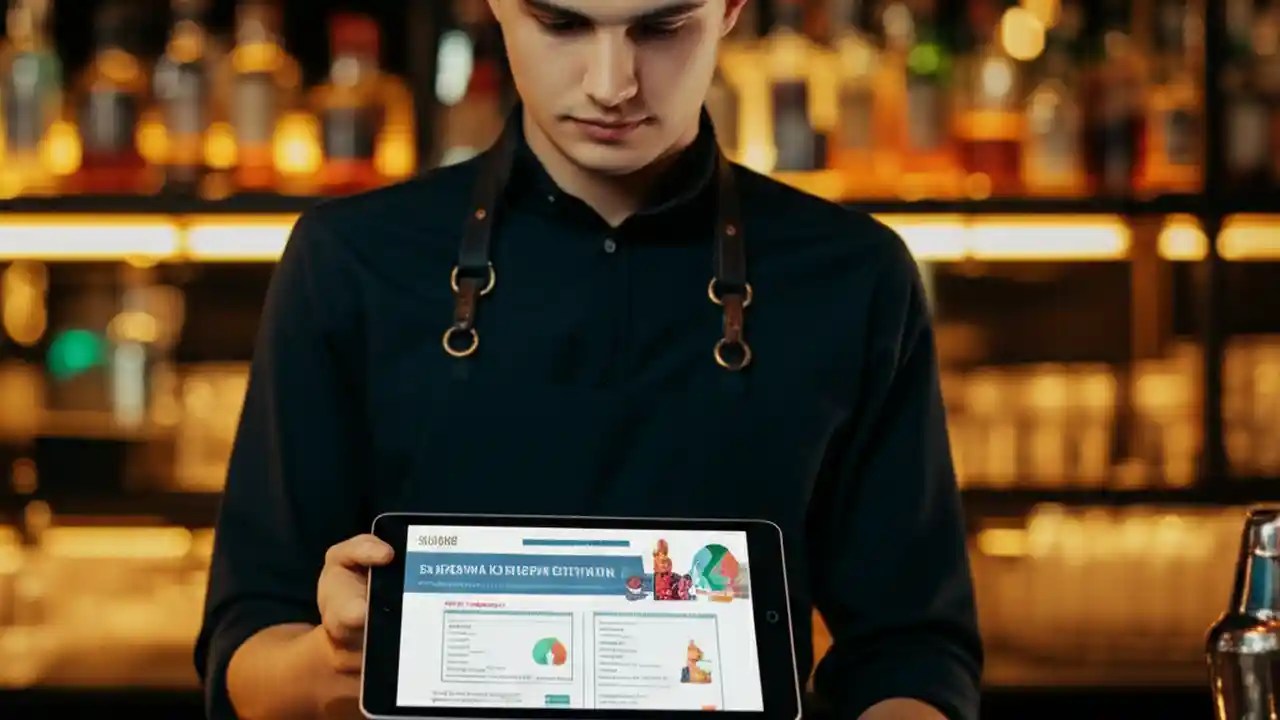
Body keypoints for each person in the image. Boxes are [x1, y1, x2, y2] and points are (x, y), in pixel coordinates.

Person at [192, 1, 984, 719]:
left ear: (732, 10)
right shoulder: (348, 259)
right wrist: (326, 664)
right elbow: (245, 645)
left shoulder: (856, 275)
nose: (613, 84)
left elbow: (914, 653)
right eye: (563, 24)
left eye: (662, 28)